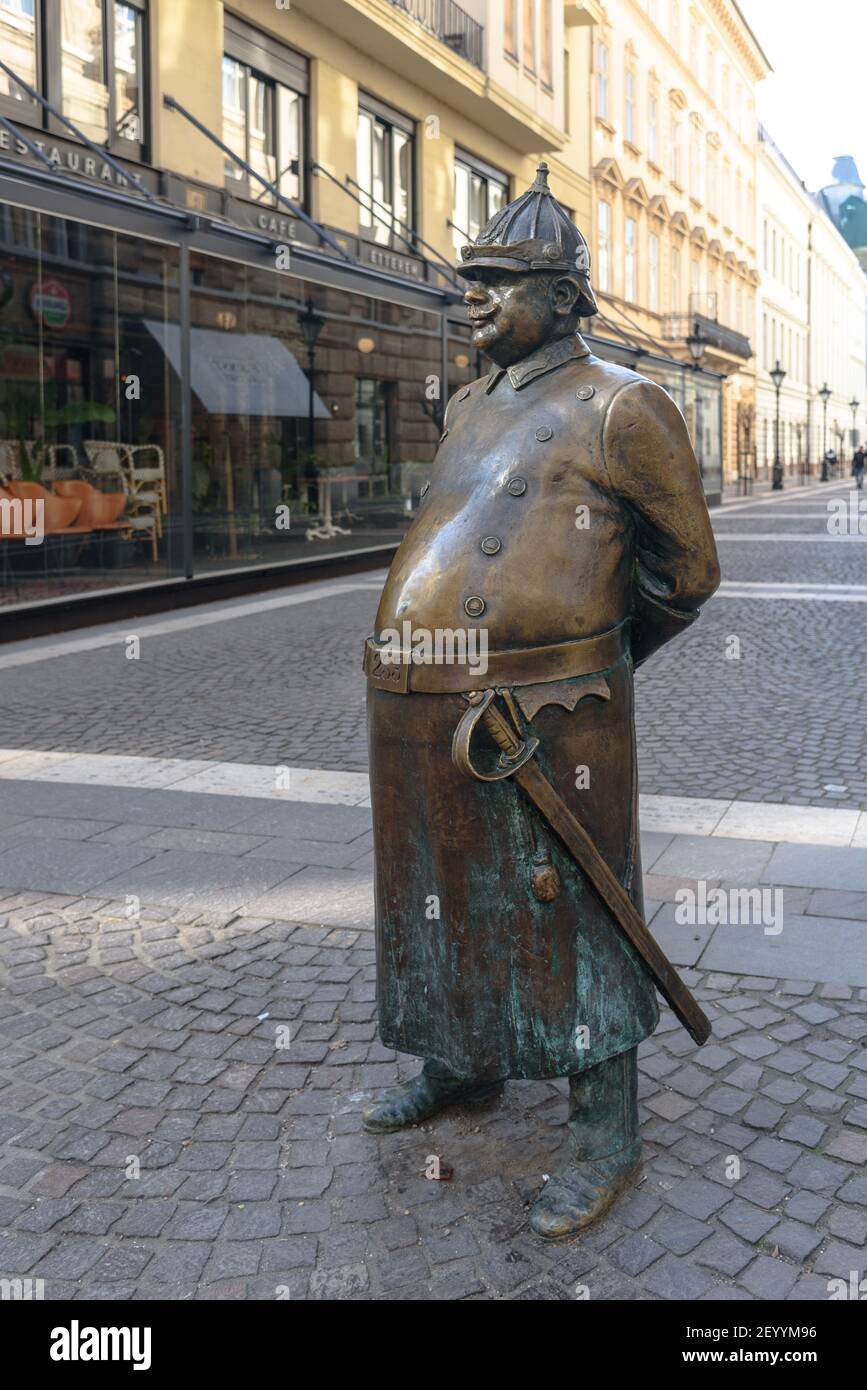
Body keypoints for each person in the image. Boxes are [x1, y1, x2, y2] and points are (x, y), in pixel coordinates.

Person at [362, 165, 721, 1239]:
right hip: (421, 710)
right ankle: (459, 1060)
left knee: (570, 904)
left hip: (549, 717)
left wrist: (591, 665)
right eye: (470, 281)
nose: (474, 300)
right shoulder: (471, 404)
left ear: (564, 297)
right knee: (438, 890)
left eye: (500, 282)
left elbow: (687, 572)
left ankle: (606, 1128)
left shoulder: (623, 404)